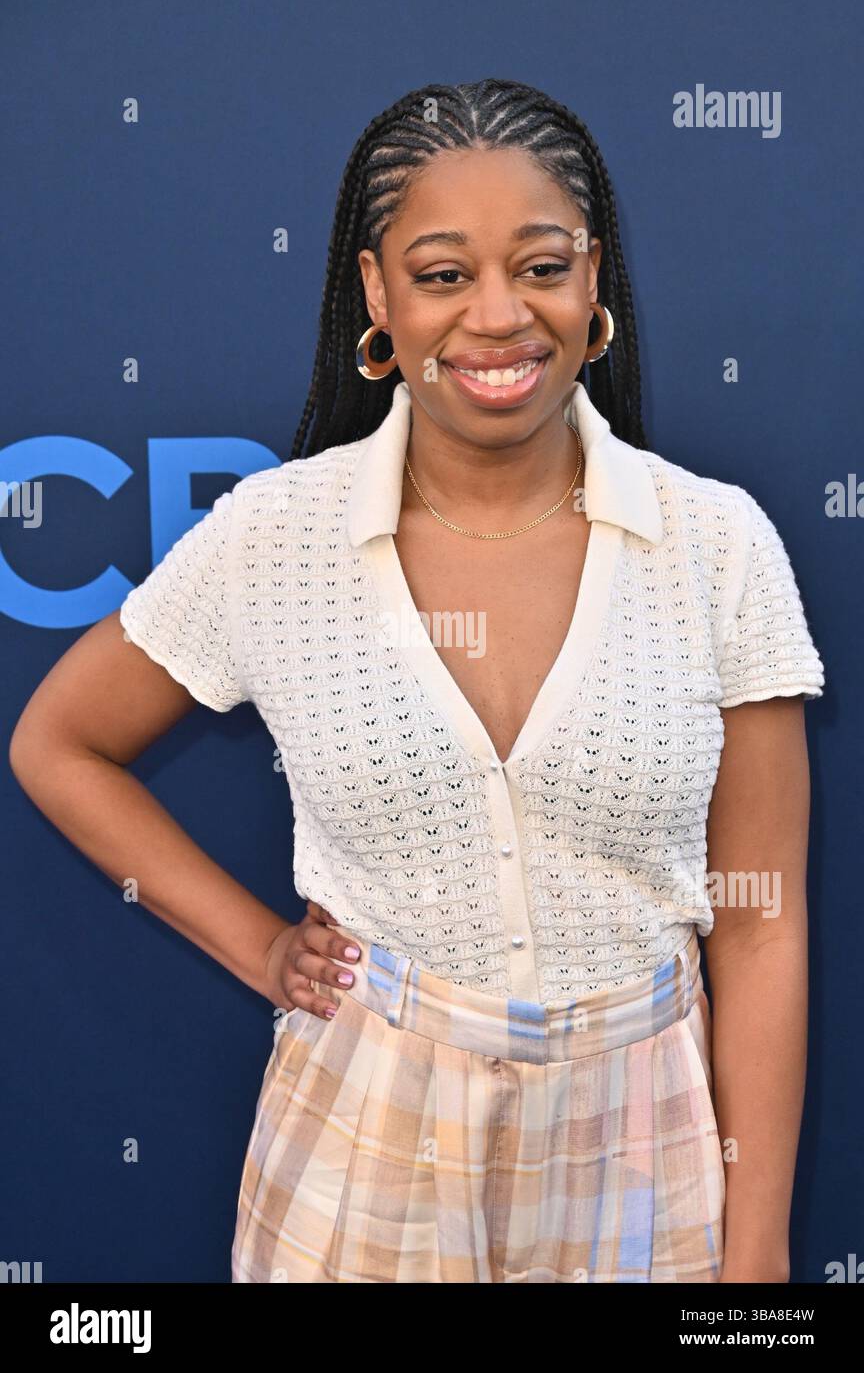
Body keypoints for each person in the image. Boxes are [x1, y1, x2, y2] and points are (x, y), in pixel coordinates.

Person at [9, 77, 825, 1284]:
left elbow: (758, 925)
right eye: (444, 275)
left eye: (540, 266)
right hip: (364, 1132)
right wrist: (258, 947)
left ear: (595, 280)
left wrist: (755, 1263)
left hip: (645, 1147)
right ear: (378, 293)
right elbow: (57, 742)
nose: (499, 315)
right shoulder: (277, 537)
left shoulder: (717, 544)